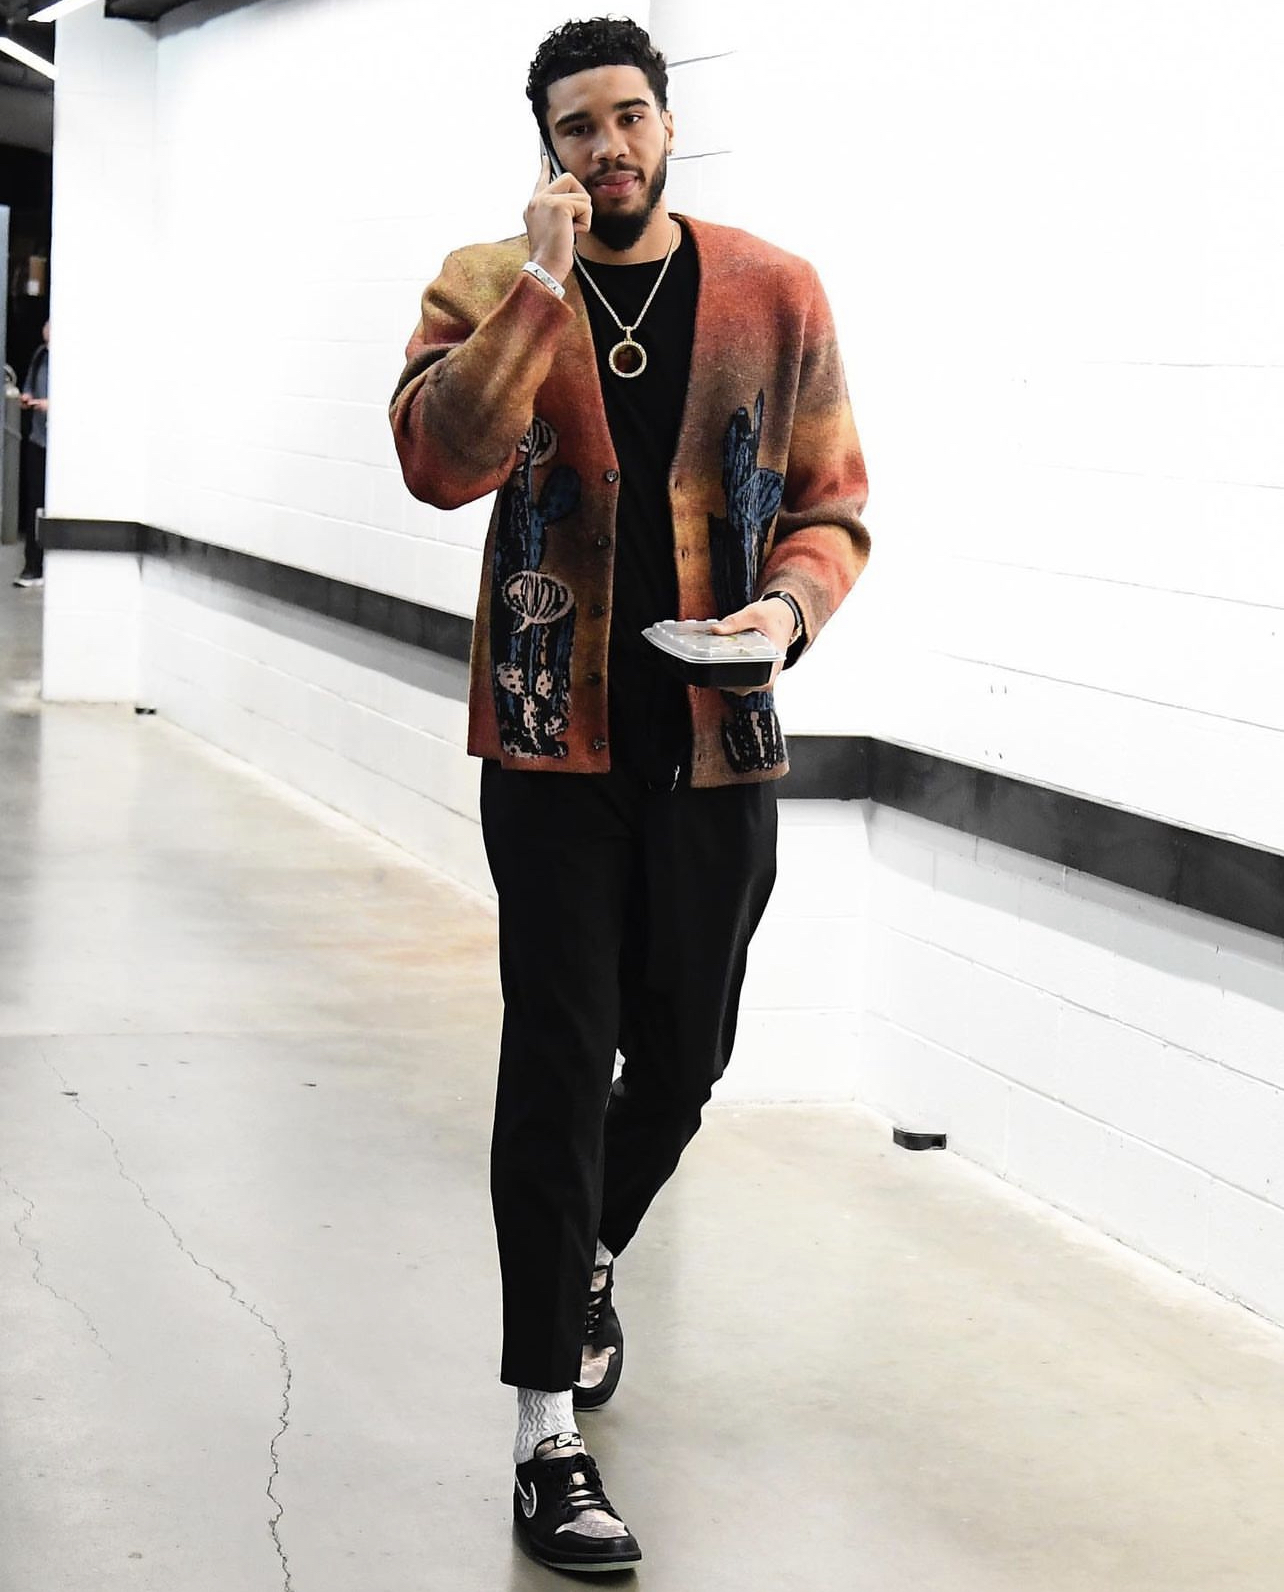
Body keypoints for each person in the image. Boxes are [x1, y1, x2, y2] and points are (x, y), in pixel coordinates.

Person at [390, 17, 869, 1573]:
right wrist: (533, 297)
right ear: (545, 145)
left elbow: (831, 507)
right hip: (552, 745)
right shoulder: (483, 283)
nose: (610, 147)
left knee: (686, 1049)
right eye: (578, 126)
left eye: (632, 118)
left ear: (671, 127)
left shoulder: (772, 292)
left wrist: (785, 616)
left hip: (717, 743)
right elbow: (440, 461)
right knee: (555, 1059)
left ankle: (589, 1250)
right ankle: (546, 1435)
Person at [14, 319, 50, 590]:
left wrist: (51, 404)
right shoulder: (40, 354)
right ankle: (32, 565)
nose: (46, 330)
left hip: (57, 446)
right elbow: (29, 383)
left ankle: (42, 564)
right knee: (34, 501)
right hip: (38, 438)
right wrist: (27, 397)